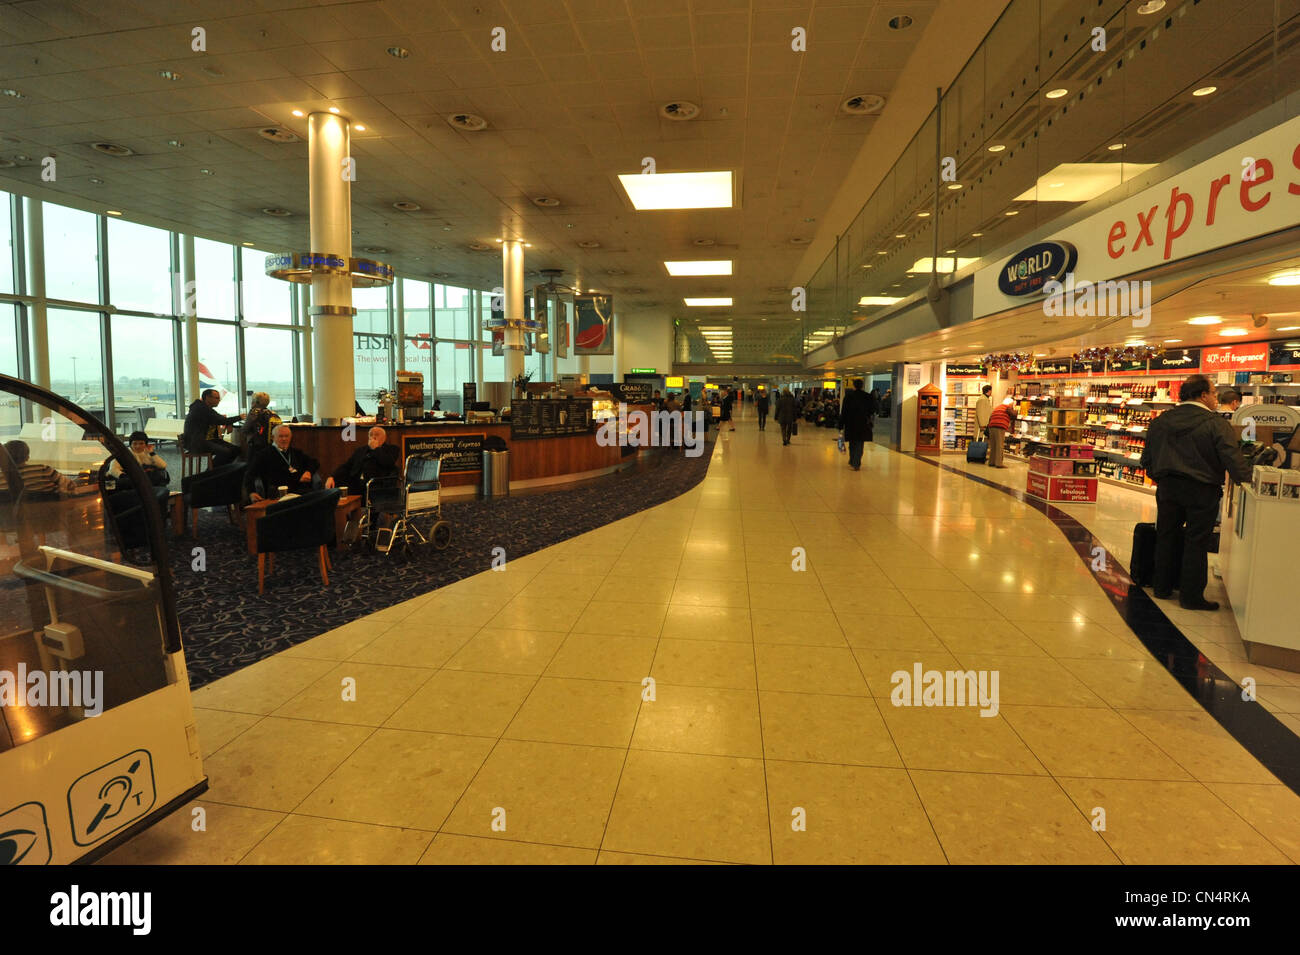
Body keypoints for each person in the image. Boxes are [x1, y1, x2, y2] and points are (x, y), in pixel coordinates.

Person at [1141, 375, 1251, 611]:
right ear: (1203, 395)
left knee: (1166, 535)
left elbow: (1146, 458)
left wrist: (1161, 477)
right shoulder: (1216, 424)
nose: (1215, 397)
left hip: (1168, 487)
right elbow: (1232, 458)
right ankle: (1191, 596)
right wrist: (1249, 479)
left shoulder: (1162, 421)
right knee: (1196, 541)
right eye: (1213, 393)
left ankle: (1162, 587)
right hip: (1202, 491)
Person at [245, 424, 320, 502]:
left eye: (286, 436)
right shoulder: (263, 454)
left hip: (301, 490)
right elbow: (249, 474)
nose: (284, 439)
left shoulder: (296, 452)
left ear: (290, 438)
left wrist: (308, 472)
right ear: (273, 438)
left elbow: (314, 462)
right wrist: (251, 492)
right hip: (278, 493)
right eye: (280, 436)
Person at [327, 426, 399, 492]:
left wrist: (376, 449)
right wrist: (332, 476)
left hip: (375, 484)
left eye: (377, 435)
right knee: (337, 487)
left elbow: (388, 462)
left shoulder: (392, 449)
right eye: (371, 435)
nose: (373, 437)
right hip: (356, 483)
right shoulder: (360, 450)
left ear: (384, 438)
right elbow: (347, 466)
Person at [184, 389, 242, 466]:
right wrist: (240, 417)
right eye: (217, 398)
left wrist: (228, 423)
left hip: (204, 439)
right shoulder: (202, 409)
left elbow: (220, 419)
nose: (219, 400)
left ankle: (220, 472)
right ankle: (211, 474)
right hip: (197, 442)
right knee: (226, 452)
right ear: (208, 398)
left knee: (236, 450)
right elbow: (221, 420)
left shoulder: (203, 407)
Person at [1, 439, 77, 496]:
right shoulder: (43, 470)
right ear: (27, 457)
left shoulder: (2, 476)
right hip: (47, 513)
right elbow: (71, 485)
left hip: (16, 516)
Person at [840, 379, 877, 471]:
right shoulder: (867, 396)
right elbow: (872, 410)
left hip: (850, 423)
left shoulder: (849, 397)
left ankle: (853, 461)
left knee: (852, 443)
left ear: (854, 385)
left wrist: (841, 424)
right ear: (862, 385)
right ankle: (856, 462)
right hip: (863, 423)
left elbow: (844, 411)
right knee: (860, 443)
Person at [242, 391, 278, 458]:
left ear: (256, 402)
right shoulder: (272, 413)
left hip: (256, 446)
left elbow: (245, 429)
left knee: (253, 466)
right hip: (270, 446)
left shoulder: (254, 413)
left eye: (253, 400)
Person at [987, 398, 1013, 468]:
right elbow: (1014, 415)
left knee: (993, 445)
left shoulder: (998, 407)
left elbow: (990, 417)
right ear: (1010, 404)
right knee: (999, 445)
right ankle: (999, 463)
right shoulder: (1008, 407)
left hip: (991, 426)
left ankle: (991, 462)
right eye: (1012, 404)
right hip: (1000, 426)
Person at [975, 385, 993, 452]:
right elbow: (980, 412)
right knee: (980, 442)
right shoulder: (982, 399)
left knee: (983, 443)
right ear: (988, 391)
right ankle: (978, 455)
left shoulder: (985, 399)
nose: (991, 392)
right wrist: (982, 424)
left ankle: (981, 455)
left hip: (986, 424)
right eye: (991, 390)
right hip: (983, 425)